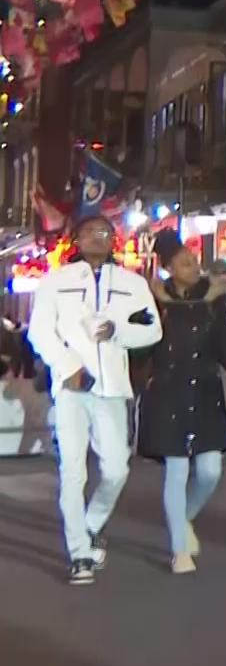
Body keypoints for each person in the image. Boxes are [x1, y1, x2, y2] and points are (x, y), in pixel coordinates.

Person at [27, 214, 162, 585]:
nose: (96, 238)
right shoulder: (57, 282)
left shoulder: (132, 284)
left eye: (104, 233)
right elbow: (40, 331)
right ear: (76, 239)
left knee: (117, 468)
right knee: (73, 472)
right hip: (71, 389)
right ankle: (79, 555)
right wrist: (67, 365)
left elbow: (151, 329)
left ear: (114, 239)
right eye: (88, 232)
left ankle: (91, 524)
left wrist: (119, 330)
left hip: (112, 388)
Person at [140, 231, 226, 575]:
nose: (194, 266)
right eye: (185, 262)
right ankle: (179, 551)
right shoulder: (154, 299)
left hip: (205, 392)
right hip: (168, 392)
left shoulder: (215, 299)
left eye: (194, 261)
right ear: (169, 268)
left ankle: (183, 519)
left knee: (209, 471)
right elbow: (141, 345)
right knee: (176, 471)